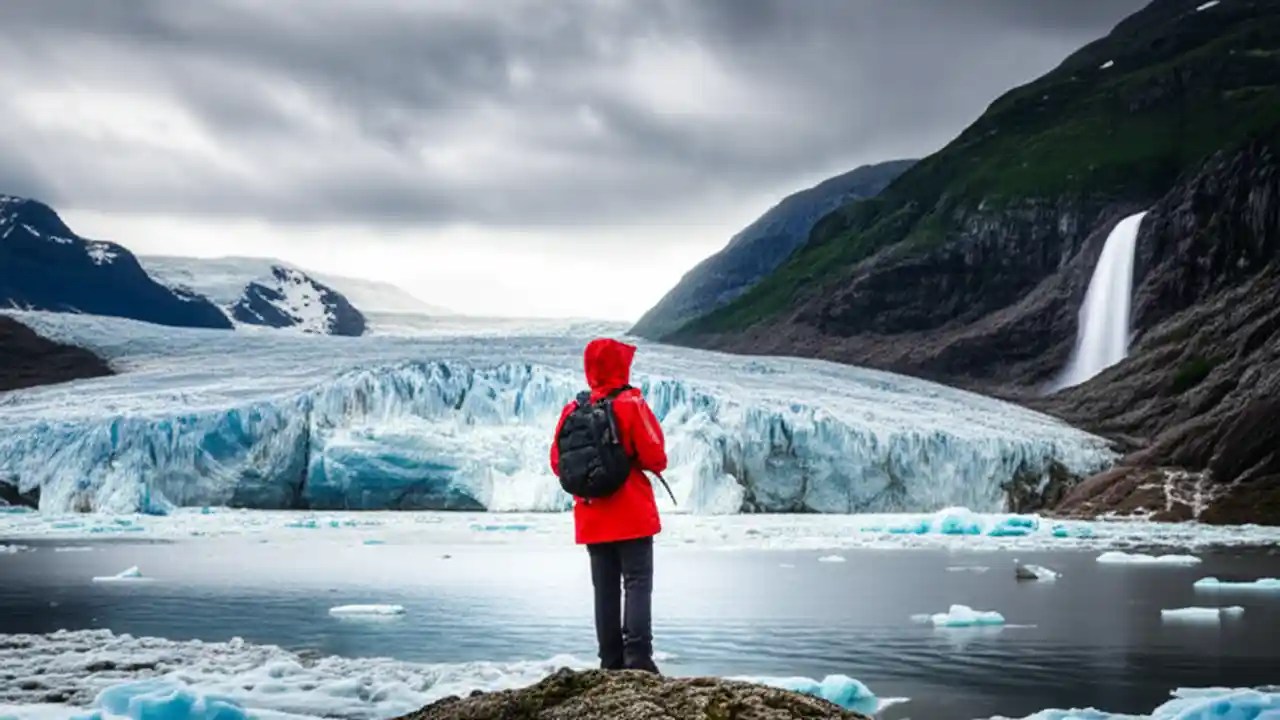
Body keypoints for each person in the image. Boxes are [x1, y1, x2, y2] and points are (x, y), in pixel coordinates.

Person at [549, 337, 668, 673]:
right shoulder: (631, 404)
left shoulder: (572, 410)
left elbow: (558, 462)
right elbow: (657, 457)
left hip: (592, 516)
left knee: (604, 589)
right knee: (637, 583)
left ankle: (610, 662)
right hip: (631, 514)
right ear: (621, 366)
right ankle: (638, 660)